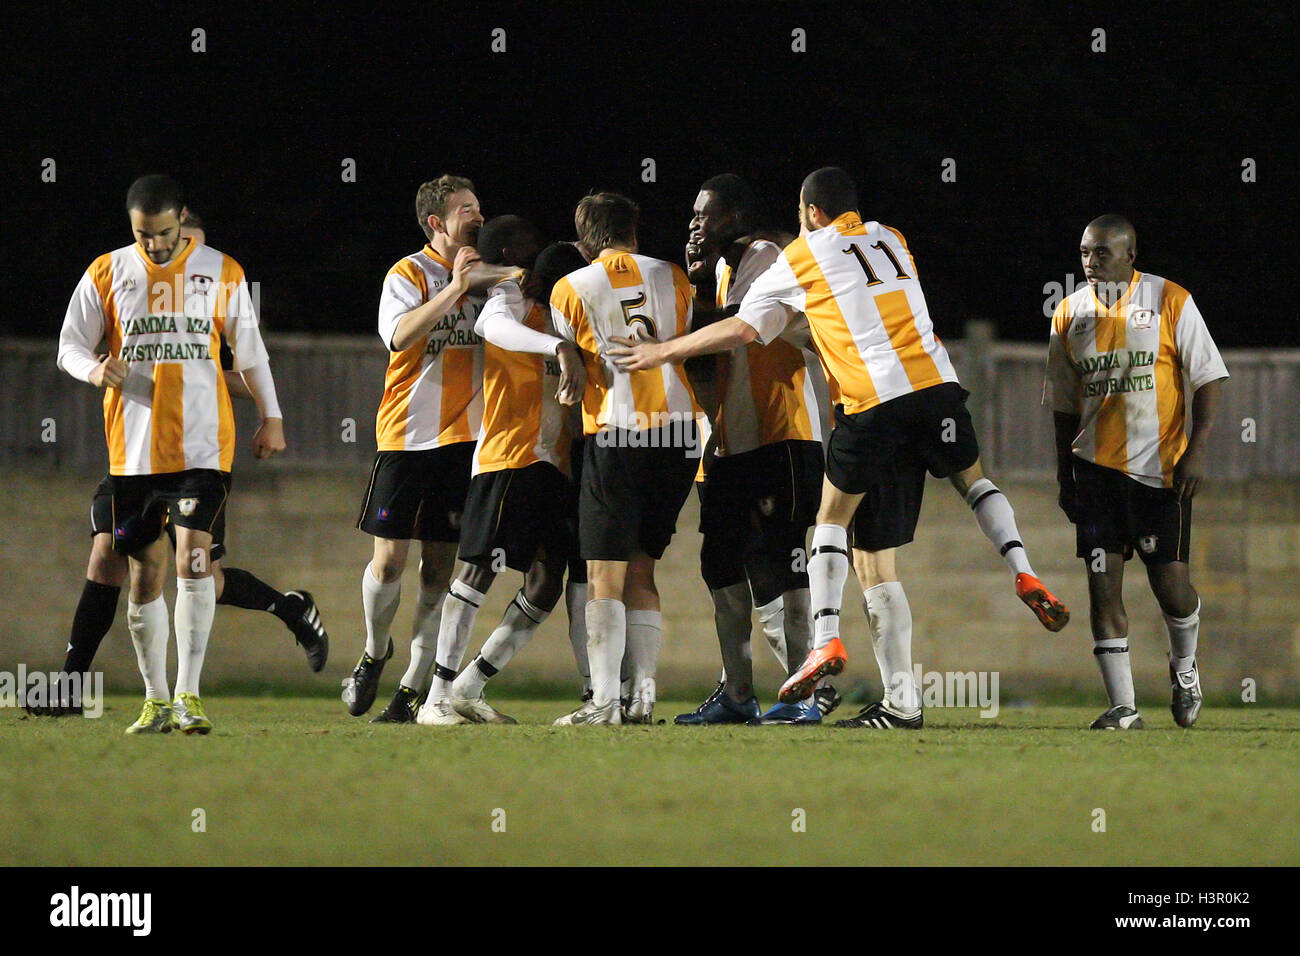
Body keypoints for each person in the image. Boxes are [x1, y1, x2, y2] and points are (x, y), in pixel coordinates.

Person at [611, 167, 1069, 729]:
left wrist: (663, 352)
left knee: (832, 524)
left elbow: (744, 331)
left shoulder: (800, 255)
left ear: (809, 212)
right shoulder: (891, 237)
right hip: (938, 390)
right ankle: (1019, 570)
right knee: (959, 495)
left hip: (871, 403)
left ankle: (825, 641)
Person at [28, 211, 326, 719]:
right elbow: (79, 347)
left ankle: (286, 611)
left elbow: (241, 364)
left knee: (199, 574)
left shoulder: (218, 281)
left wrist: (247, 400)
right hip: (135, 451)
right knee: (110, 555)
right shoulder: (125, 277)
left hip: (196, 450)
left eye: (190, 244)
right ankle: (72, 685)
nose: (177, 253)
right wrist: (109, 368)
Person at [347, 176, 519, 719]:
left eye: (478, 206)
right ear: (436, 224)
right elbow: (398, 335)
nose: (477, 216)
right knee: (390, 559)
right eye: (465, 210)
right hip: (406, 435)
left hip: (467, 442)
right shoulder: (408, 273)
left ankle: (413, 687)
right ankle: (376, 651)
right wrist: (455, 288)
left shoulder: (491, 278)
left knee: (438, 569)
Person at [1046, 215, 1227, 729]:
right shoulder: (1067, 314)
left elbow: (1209, 377)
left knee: (1171, 587)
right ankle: (1124, 708)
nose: (1090, 261)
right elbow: (1062, 406)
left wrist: (1197, 448)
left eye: (1102, 252)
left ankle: (1185, 666)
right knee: (1102, 584)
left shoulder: (1171, 300)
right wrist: (1065, 475)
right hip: (1094, 472)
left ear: (1130, 255)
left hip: (1160, 469)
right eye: (1084, 252)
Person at [669, 174, 836, 726]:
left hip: (781, 435)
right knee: (720, 566)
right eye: (693, 214)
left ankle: (805, 694)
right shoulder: (717, 272)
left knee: (779, 565)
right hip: (732, 442)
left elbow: (735, 328)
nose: (695, 223)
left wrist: (688, 300)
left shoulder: (769, 256)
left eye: (706, 214)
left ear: (736, 218)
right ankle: (738, 693)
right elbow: (706, 361)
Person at [411, 223, 586, 724]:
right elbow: (491, 327)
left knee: (547, 580)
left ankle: (470, 684)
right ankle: (435, 699)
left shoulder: (570, 321)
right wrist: (559, 349)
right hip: (508, 457)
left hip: (555, 464)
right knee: (477, 572)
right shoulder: (512, 301)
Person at [550, 192, 702, 725]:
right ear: (634, 232)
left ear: (583, 239)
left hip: (619, 433)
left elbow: (567, 353)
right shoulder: (675, 276)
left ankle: (605, 704)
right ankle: (643, 697)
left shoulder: (569, 287)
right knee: (642, 569)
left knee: (604, 574)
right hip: (680, 434)